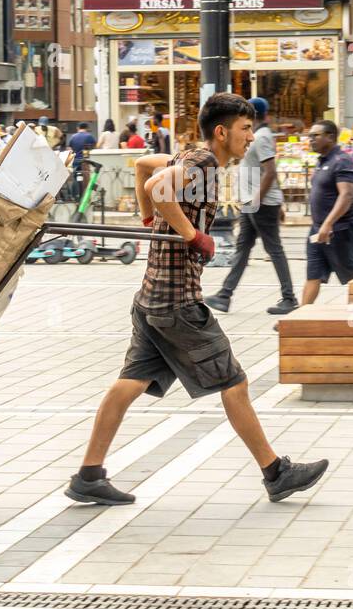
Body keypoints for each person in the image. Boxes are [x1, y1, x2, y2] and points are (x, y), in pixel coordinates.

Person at [66, 93, 328, 506]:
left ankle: (89, 475)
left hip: (151, 298)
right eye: (244, 130)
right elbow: (156, 184)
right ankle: (276, 473)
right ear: (222, 132)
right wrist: (193, 235)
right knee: (236, 383)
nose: (250, 138)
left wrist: (148, 216)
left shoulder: (194, 157)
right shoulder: (203, 164)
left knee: (128, 385)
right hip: (178, 303)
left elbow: (144, 166)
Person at [205, 97, 298, 316]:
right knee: (242, 249)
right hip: (253, 203)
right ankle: (224, 295)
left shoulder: (262, 137)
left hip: (261, 204)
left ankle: (289, 298)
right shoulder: (253, 137)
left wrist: (260, 201)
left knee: (274, 249)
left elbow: (270, 171)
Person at [303, 119, 353, 307]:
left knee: (351, 274)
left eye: (315, 136)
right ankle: (299, 318)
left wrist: (328, 224)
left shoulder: (342, 160)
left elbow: (346, 195)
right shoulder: (322, 161)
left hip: (339, 229)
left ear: (330, 137)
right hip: (317, 229)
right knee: (314, 273)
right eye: (310, 136)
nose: (310, 139)